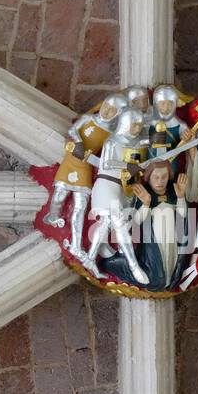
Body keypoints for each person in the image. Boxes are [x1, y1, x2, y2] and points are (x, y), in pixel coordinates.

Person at [42, 93, 126, 258]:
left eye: (112, 111)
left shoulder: (111, 134)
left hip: (85, 166)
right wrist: (78, 142)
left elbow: (108, 156)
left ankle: (76, 245)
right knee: (59, 195)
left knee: (80, 206)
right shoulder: (89, 119)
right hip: (72, 159)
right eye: (106, 106)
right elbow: (72, 129)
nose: (107, 111)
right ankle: (53, 216)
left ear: (117, 115)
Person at [81, 107, 151, 284]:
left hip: (120, 187)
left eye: (139, 126)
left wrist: (152, 140)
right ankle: (133, 265)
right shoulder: (112, 141)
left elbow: (142, 144)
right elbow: (107, 162)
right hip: (106, 184)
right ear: (126, 123)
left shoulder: (133, 141)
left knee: (109, 223)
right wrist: (127, 165)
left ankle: (90, 258)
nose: (136, 129)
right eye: (134, 125)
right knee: (118, 223)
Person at [101, 160, 188, 291]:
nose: (160, 181)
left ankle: (167, 281)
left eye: (164, 177)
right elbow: (135, 222)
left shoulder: (173, 191)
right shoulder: (144, 194)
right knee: (154, 277)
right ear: (149, 178)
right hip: (152, 244)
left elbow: (182, 216)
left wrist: (181, 197)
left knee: (169, 268)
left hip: (171, 240)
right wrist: (146, 204)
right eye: (156, 177)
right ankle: (114, 264)